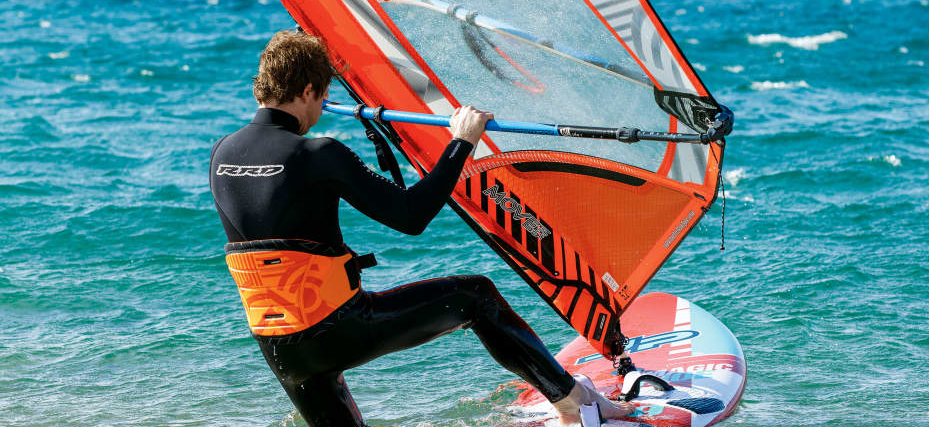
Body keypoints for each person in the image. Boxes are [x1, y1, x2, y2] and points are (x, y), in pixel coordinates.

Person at [209, 30, 633, 427]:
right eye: (321, 98)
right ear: (306, 91)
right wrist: (462, 142)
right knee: (477, 297)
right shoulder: (318, 153)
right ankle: (577, 406)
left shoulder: (220, 154)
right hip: (339, 327)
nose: (321, 111)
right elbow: (411, 216)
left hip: (280, 348)